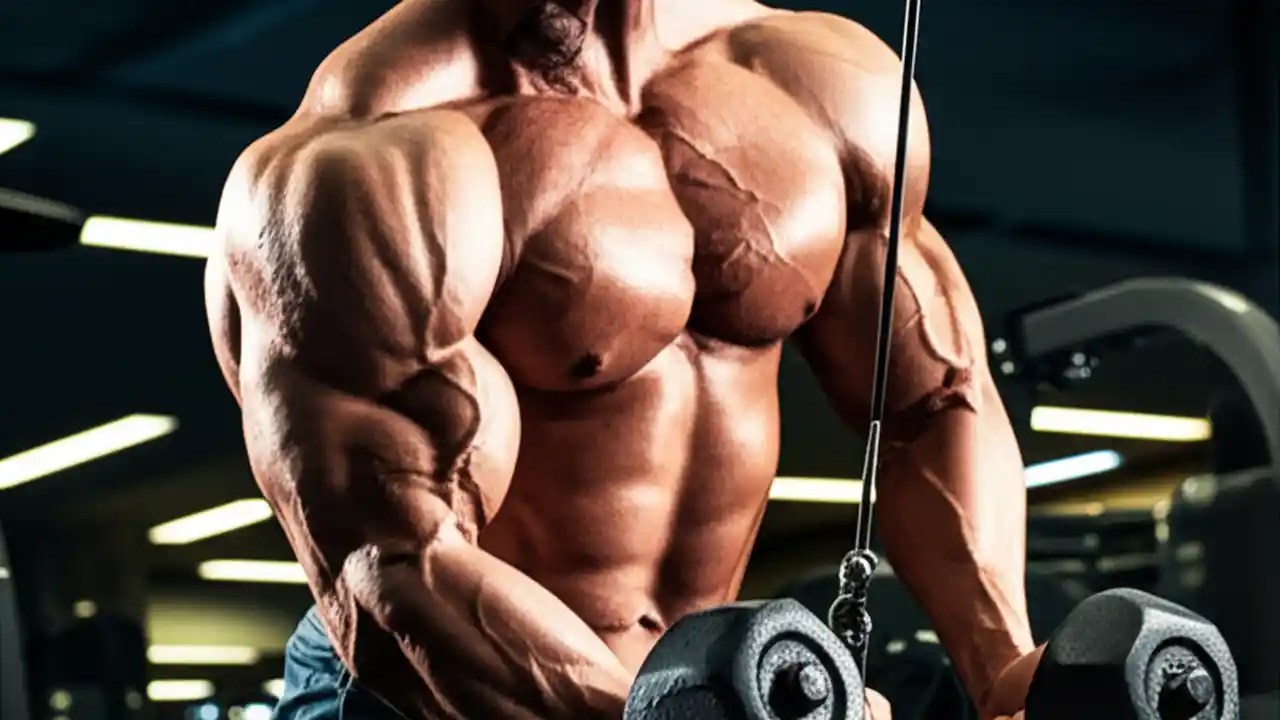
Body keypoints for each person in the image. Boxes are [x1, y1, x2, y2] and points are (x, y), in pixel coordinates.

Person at [204, 0, 1043, 717]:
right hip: (433, 687)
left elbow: (935, 405)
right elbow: (392, 568)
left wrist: (1007, 672)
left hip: (703, 682)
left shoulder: (821, 86)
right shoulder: (372, 155)